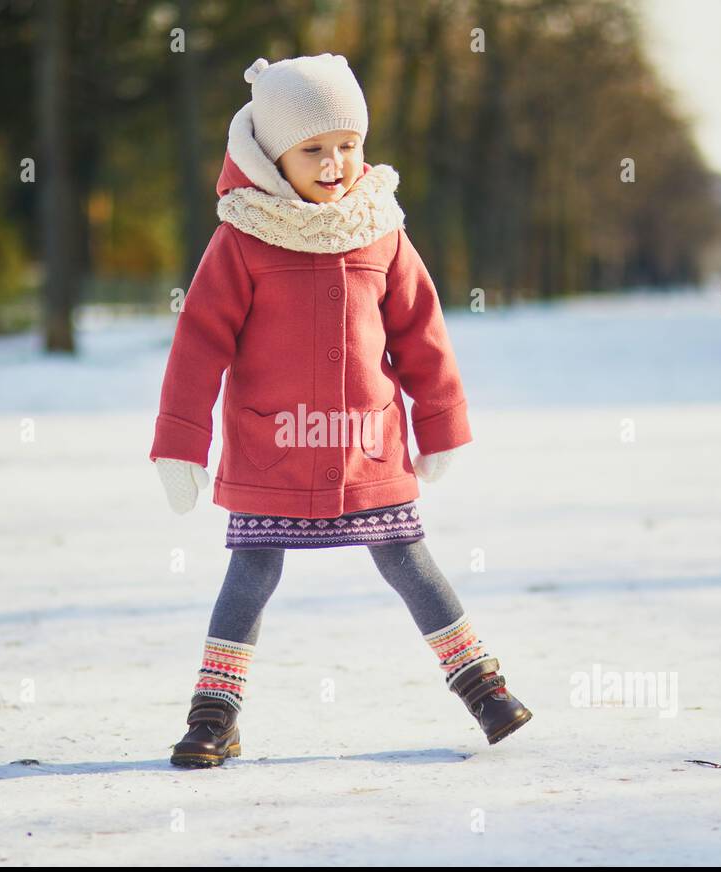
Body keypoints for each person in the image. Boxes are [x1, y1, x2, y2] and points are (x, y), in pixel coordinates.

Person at [149, 54, 532, 767]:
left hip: (369, 447)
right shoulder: (242, 236)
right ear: (272, 156)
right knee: (252, 571)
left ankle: (483, 685)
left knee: (409, 561)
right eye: (314, 150)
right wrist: (180, 444)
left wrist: (442, 421)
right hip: (274, 451)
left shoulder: (380, 228)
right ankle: (214, 713)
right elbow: (198, 343)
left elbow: (422, 331)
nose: (335, 164)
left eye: (347, 145)